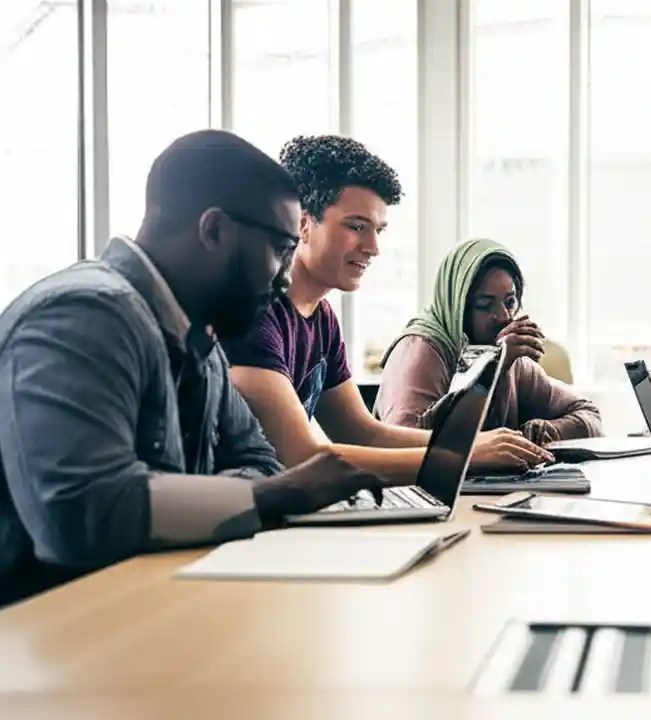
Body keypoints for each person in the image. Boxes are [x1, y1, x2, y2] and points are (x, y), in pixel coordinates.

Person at [0, 130, 383, 605]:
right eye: (281, 248)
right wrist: (267, 497)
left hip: (141, 611)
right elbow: (79, 513)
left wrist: (168, 497)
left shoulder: (199, 337)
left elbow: (260, 461)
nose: (286, 277)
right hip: (43, 638)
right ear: (214, 230)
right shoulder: (84, 316)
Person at [225, 135, 550, 477]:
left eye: (378, 230)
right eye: (357, 226)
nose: (373, 247)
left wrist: (466, 447)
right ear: (303, 223)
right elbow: (303, 456)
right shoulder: (256, 315)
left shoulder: (322, 319)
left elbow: (364, 433)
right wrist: (462, 458)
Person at [376, 238, 603, 449]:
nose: (503, 316)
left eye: (510, 301)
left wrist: (551, 431)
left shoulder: (509, 357)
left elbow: (589, 414)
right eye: (485, 304)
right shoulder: (420, 351)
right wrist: (491, 369)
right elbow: (402, 448)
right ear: (458, 307)